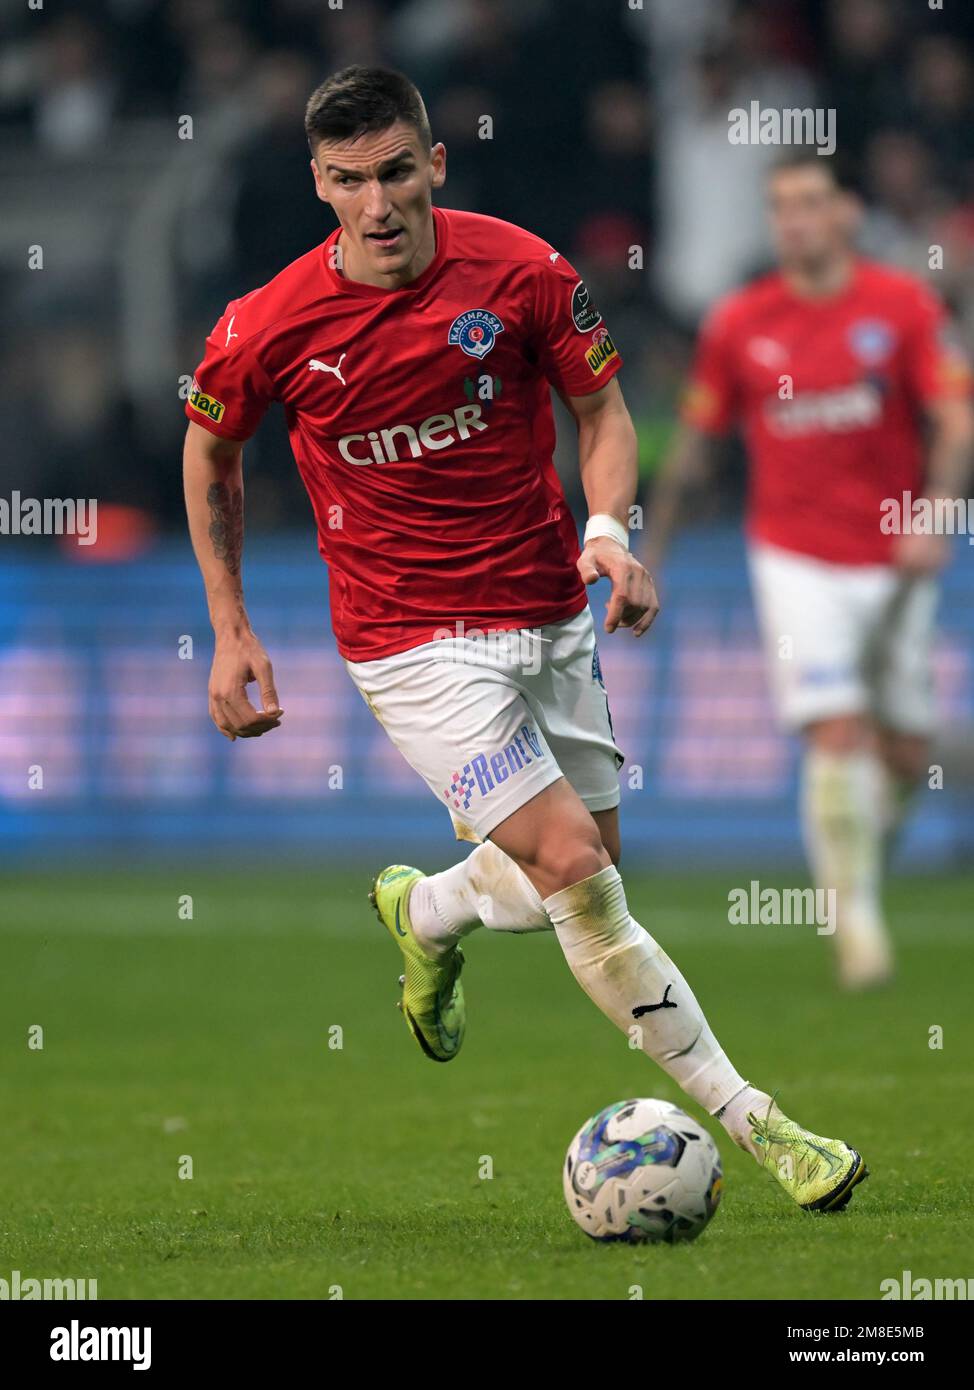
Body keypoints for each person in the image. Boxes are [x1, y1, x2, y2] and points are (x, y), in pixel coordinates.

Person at [183, 66, 867, 1212]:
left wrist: (606, 530)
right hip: (408, 639)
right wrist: (229, 624)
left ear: (434, 163)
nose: (379, 203)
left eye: (398, 170)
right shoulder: (269, 325)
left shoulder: (523, 271)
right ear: (320, 187)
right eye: (349, 181)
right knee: (576, 877)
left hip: (547, 609)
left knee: (578, 865)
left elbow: (597, 407)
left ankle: (427, 909)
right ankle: (762, 1126)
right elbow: (208, 451)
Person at [643, 150, 974, 990]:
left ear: (847, 213)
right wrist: (654, 553)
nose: (797, 219)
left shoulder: (902, 306)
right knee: (836, 726)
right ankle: (855, 925)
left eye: (812, 202)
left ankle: (856, 871)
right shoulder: (738, 323)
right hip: (792, 554)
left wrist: (934, 512)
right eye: (782, 205)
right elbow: (697, 448)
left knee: (903, 750)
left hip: (896, 554)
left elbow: (954, 418)